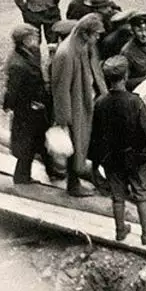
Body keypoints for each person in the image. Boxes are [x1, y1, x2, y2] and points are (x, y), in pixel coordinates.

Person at [88, 56, 146, 244]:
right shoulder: (135, 102)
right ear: (126, 76)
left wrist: (96, 161)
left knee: (117, 195)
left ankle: (120, 230)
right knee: (142, 194)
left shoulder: (100, 102)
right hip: (137, 157)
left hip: (111, 158)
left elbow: (95, 136)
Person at [51, 13, 108, 197]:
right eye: (96, 34)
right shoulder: (66, 53)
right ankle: (73, 185)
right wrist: (64, 119)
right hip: (73, 108)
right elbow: (61, 89)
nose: (98, 38)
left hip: (81, 102)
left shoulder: (81, 46)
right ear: (85, 33)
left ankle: (75, 180)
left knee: (80, 143)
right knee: (74, 145)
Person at [3, 24, 64, 185]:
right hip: (28, 111)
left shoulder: (28, 54)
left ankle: (51, 171)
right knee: (27, 146)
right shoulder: (18, 64)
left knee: (40, 141)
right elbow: (13, 91)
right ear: (25, 40)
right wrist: (29, 105)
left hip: (36, 108)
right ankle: (21, 177)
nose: (37, 40)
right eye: (33, 37)